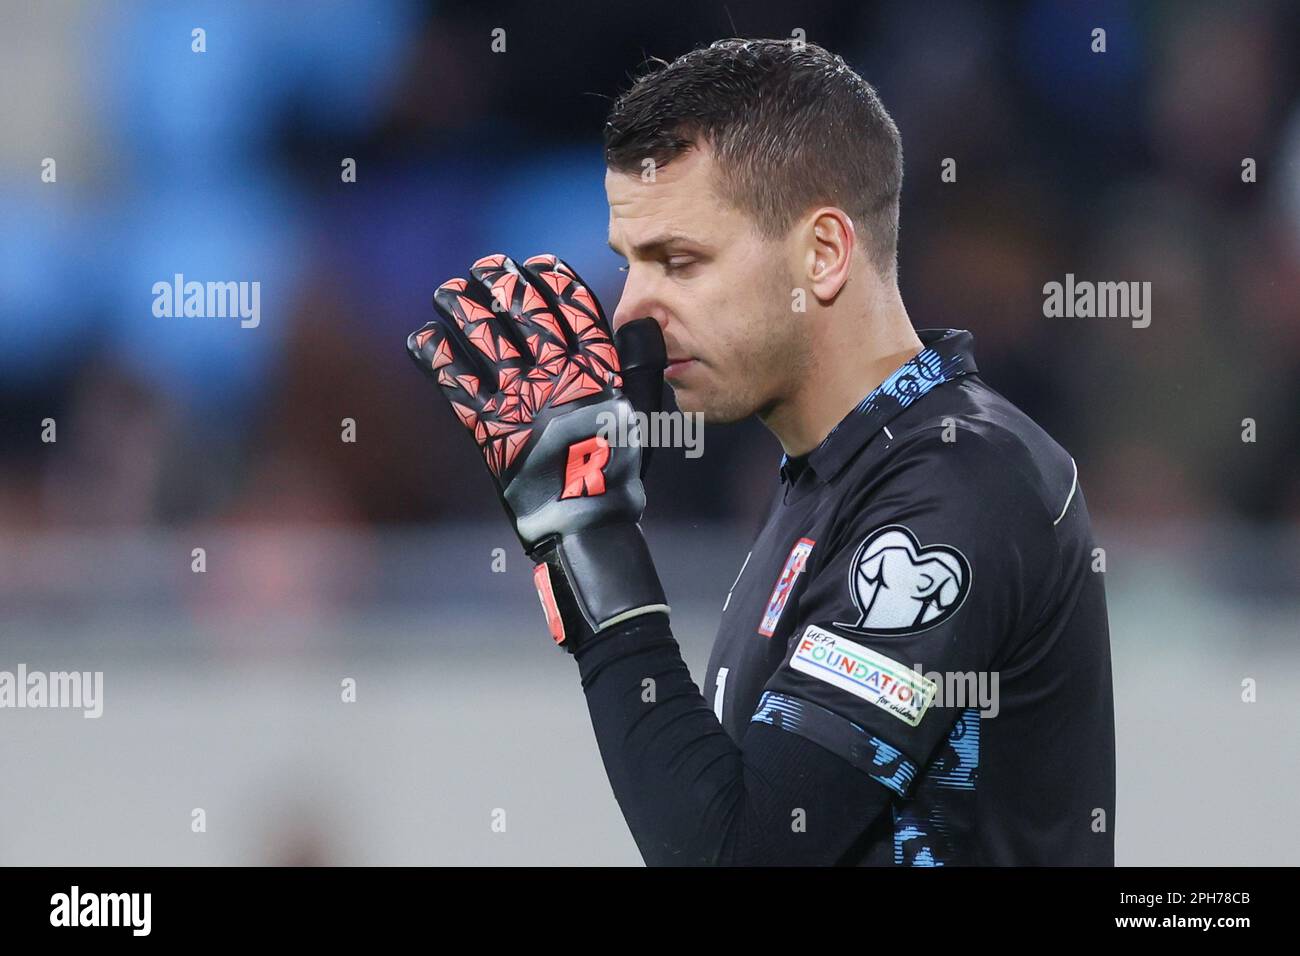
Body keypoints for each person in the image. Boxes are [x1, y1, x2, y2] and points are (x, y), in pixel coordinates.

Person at [408, 38, 1115, 865]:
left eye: (680, 260)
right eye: (629, 264)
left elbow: (741, 856)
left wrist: (589, 542)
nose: (633, 308)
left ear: (821, 254)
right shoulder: (834, 476)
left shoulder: (958, 487)